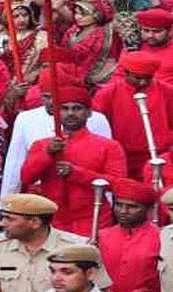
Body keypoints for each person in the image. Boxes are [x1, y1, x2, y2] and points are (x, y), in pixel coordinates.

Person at [20, 85, 127, 235]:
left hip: (93, 218)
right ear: (56, 112)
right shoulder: (42, 145)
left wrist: (76, 174)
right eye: (65, 108)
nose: (70, 113)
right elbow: (26, 177)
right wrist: (47, 154)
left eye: (77, 108)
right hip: (52, 220)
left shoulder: (109, 146)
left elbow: (118, 184)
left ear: (89, 113)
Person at [2, 67, 112, 197]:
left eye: (56, 96)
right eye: (47, 97)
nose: (51, 102)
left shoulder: (96, 119)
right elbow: (14, 164)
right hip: (39, 197)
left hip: (84, 193)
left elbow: (106, 167)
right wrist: (7, 202)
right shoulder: (26, 118)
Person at [92, 51, 173, 176]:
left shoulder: (167, 91)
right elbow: (99, 127)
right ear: (126, 73)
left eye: (148, 78)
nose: (143, 82)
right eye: (138, 78)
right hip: (122, 155)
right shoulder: (107, 93)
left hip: (157, 154)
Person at [98, 181, 161, 292]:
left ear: (148, 209)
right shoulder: (102, 236)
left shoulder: (161, 238)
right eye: (119, 205)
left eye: (132, 207)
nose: (123, 211)